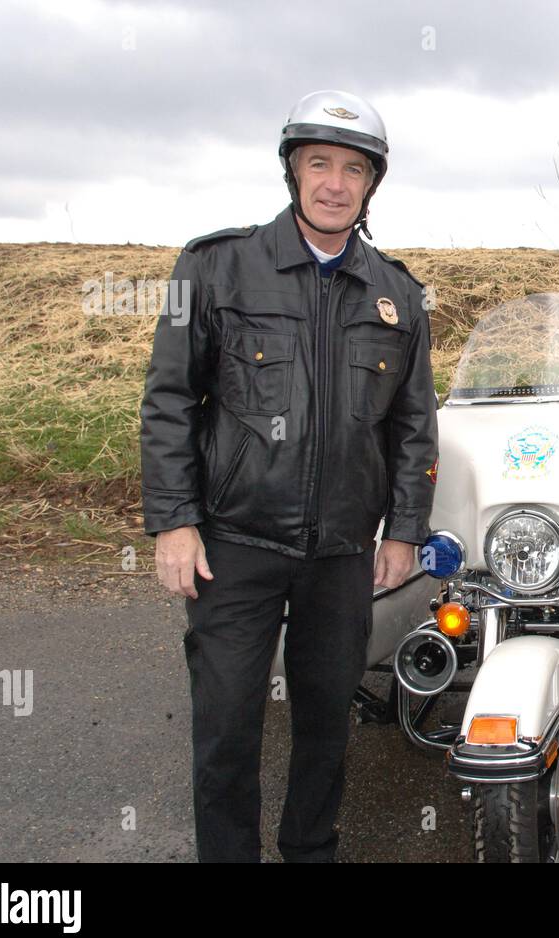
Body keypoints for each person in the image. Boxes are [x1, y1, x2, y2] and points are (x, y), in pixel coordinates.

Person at [139, 90, 438, 862]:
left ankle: (311, 850)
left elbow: (412, 426)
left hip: (340, 553)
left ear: (371, 184)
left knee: (326, 728)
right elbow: (170, 399)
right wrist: (174, 519)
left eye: (352, 168)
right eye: (319, 164)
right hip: (232, 546)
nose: (334, 183)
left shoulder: (399, 296)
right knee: (228, 729)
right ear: (292, 171)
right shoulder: (215, 267)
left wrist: (403, 530)